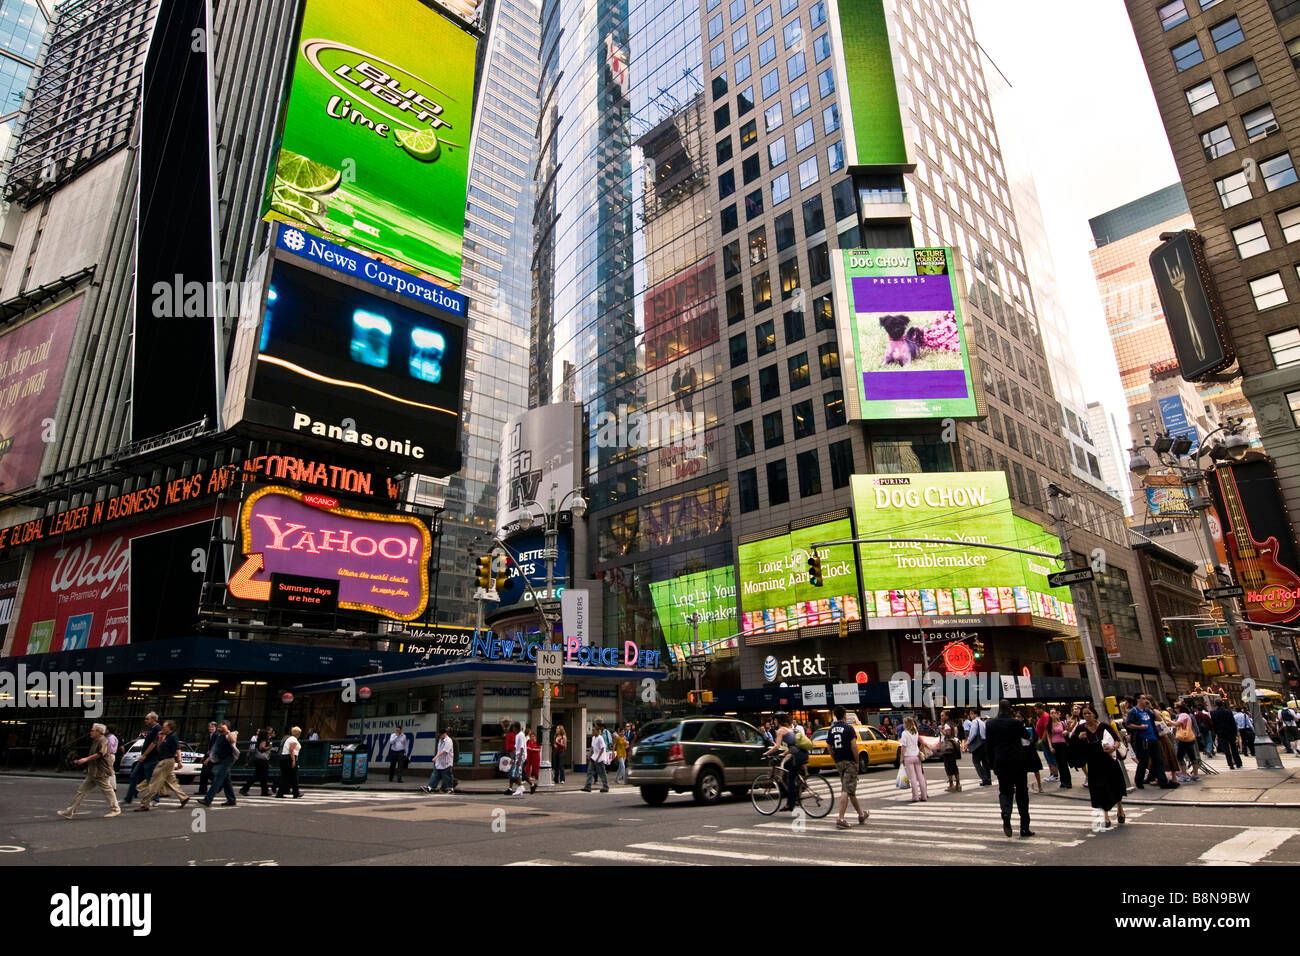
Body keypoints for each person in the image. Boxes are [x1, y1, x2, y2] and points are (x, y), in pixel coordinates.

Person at [1069, 704, 1127, 828]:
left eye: (1089, 713)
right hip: (1094, 763)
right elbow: (1072, 746)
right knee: (1099, 789)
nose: (1087, 715)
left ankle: (1120, 809)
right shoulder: (1080, 729)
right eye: (1084, 714)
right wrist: (1078, 738)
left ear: (1094, 714)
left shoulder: (1104, 726)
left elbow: (1117, 740)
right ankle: (1105, 816)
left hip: (1109, 761)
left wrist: (1112, 748)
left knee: (1115, 785)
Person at [985, 699, 1033, 837]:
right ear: (1010, 708)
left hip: (1000, 761)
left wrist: (991, 764)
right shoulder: (1016, 723)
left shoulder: (991, 724)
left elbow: (988, 745)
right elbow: (1027, 735)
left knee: (1005, 791)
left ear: (998, 708)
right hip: (1017, 761)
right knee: (1022, 793)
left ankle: (1006, 812)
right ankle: (1024, 827)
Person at [58, 723, 121, 819]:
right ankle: (69, 811)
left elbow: (100, 753)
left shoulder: (103, 741)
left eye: (92, 730)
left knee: (108, 790)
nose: (90, 732)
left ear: (99, 732)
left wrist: (85, 759)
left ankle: (116, 809)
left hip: (100, 772)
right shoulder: (96, 740)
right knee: (82, 791)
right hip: (93, 772)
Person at [134, 720, 190, 811]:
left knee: (154, 782)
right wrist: (160, 738)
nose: (162, 728)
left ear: (169, 728)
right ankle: (183, 797)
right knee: (171, 781)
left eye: (164, 727)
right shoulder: (166, 736)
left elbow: (178, 748)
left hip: (166, 761)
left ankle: (145, 804)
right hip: (163, 760)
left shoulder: (173, 737)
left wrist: (180, 761)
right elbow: (159, 748)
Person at [828, 706, 868, 829]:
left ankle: (861, 814)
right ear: (844, 715)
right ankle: (840, 818)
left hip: (839, 761)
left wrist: (835, 759)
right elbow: (854, 746)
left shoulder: (832, 730)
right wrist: (857, 762)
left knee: (850, 790)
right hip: (849, 761)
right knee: (846, 790)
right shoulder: (849, 729)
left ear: (835, 716)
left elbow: (829, 747)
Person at [1124, 694, 1173, 789]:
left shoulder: (1147, 711)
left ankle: (1163, 782)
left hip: (1153, 738)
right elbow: (1129, 724)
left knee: (1158, 760)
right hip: (1142, 739)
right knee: (1143, 761)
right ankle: (1139, 781)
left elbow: (1159, 718)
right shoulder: (1133, 712)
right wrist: (1140, 727)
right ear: (1138, 700)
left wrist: (1151, 707)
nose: (1145, 700)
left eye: (1146, 698)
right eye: (1143, 698)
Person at [762, 713, 807, 811]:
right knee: (789, 768)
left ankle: (790, 804)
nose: (773, 722)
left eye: (774, 720)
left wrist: (766, 753)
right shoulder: (791, 729)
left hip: (797, 756)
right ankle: (800, 786)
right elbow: (794, 745)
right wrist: (784, 753)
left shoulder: (780, 731)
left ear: (778, 721)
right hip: (803, 754)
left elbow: (777, 746)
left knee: (788, 776)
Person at [123, 712, 162, 804]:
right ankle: (128, 798)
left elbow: (154, 743)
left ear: (153, 719)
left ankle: (155, 798)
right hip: (144, 758)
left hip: (151, 758)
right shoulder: (151, 729)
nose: (145, 720)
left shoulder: (158, 729)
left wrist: (144, 755)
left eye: (147, 719)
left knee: (150, 779)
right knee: (134, 776)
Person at [199, 722, 238, 807]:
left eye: (222, 726)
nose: (220, 727)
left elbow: (233, 740)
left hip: (228, 759)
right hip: (221, 759)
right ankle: (231, 799)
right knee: (226, 780)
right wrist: (209, 758)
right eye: (219, 726)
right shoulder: (219, 736)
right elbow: (215, 749)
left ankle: (208, 799)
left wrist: (227, 731)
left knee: (218, 779)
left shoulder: (230, 734)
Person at [898, 716, 929, 803]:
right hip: (916, 756)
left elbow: (903, 747)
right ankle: (924, 795)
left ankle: (915, 796)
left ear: (906, 724)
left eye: (904, 723)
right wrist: (918, 750)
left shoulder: (904, 733)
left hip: (908, 757)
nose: (903, 725)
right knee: (920, 776)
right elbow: (921, 742)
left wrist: (901, 757)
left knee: (913, 778)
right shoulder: (915, 732)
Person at [962, 708, 992, 786]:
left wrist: (967, 742)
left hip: (978, 745)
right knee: (985, 762)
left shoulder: (975, 722)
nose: (970, 715)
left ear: (975, 714)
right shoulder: (982, 722)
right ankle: (988, 779)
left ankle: (984, 778)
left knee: (976, 762)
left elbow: (973, 733)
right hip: (984, 743)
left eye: (971, 713)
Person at [424, 727, 457, 793]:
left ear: (444, 734)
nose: (440, 736)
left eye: (441, 735)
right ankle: (430, 787)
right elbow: (439, 750)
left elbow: (445, 751)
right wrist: (437, 758)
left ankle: (450, 789)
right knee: (435, 775)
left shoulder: (448, 741)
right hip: (439, 762)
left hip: (446, 762)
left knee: (447, 776)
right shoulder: (440, 740)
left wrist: (436, 757)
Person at [1211, 701, 1242, 769]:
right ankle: (1238, 763)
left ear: (1216, 705)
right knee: (1234, 747)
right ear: (1222, 705)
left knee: (1226, 749)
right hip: (1230, 731)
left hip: (1221, 732)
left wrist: (1216, 732)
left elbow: (1213, 724)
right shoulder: (1228, 712)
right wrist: (1235, 732)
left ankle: (1230, 764)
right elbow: (1233, 723)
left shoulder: (1213, 713)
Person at [1174, 704, 1200, 782]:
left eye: (1175, 708)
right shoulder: (1188, 715)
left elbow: (1177, 724)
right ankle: (1195, 775)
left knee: (1180, 756)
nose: (1175, 709)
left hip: (1184, 738)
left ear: (1179, 708)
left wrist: (1169, 721)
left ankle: (1184, 775)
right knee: (1192, 756)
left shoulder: (1182, 715)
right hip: (1190, 737)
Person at [1047, 708, 1072, 789]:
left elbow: (1068, 730)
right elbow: (1048, 736)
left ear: (1057, 714)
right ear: (1050, 715)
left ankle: (1068, 782)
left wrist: (1066, 731)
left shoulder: (1062, 723)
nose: (1053, 714)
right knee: (1059, 764)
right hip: (1055, 744)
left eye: (1054, 713)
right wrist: (1050, 746)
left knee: (1064, 763)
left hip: (1062, 744)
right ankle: (1063, 782)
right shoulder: (1049, 725)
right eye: (1051, 713)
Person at [582, 720, 610, 792]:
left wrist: (598, 758)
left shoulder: (600, 738)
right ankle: (588, 786)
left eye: (593, 731)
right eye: (592, 730)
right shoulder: (593, 738)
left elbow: (602, 748)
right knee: (590, 771)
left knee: (602, 773)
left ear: (597, 731)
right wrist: (589, 755)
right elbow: (592, 747)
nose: (592, 732)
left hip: (600, 759)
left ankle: (606, 787)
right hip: (594, 757)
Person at [1021, 710, 1045, 793]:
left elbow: (1036, 735)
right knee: (1023, 770)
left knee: (1036, 768)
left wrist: (1033, 740)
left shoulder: (1029, 725)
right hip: (1022, 750)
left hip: (1030, 749)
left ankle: (1040, 786)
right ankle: (1024, 787)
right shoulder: (1015, 726)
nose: (1018, 718)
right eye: (1017, 717)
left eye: (1020, 717)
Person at [939, 709, 962, 792]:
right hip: (953, 746)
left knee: (948, 766)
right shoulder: (953, 724)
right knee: (954, 765)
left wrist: (941, 730)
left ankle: (951, 784)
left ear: (947, 716)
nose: (941, 717)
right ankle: (958, 784)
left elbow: (948, 735)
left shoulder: (947, 725)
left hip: (948, 747)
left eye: (942, 715)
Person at [277, 726, 302, 798]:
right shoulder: (293, 739)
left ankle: (280, 793)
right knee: (294, 776)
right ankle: (296, 793)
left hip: (284, 758)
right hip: (289, 758)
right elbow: (292, 750)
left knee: (285, 777)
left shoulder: (290, 738)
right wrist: (293, 760)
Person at [195, 720, 218, 796]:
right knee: (204, 773)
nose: (210, 728)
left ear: (215, 727)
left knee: (208, 772)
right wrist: (205, 757)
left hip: (213, 756)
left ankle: (219, 783)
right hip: (209, 755)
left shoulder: (216, 735)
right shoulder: (210, 735)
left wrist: (208, 758)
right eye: (209, 727)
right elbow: (209, 748)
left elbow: (214, 748)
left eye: (212, 727)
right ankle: (202, 790)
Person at [525, 729, 541, 794]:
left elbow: (539, 749)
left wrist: (533, 749)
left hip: (535, 756)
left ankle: (537, 779)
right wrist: (527, 748)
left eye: (533, 736)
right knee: (528, 766)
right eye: (531, 736)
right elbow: (525, 746)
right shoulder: (528, 741)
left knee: (536, 768)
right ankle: (528, 777)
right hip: (529, 756)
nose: (532, 737)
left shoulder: (537, 742)